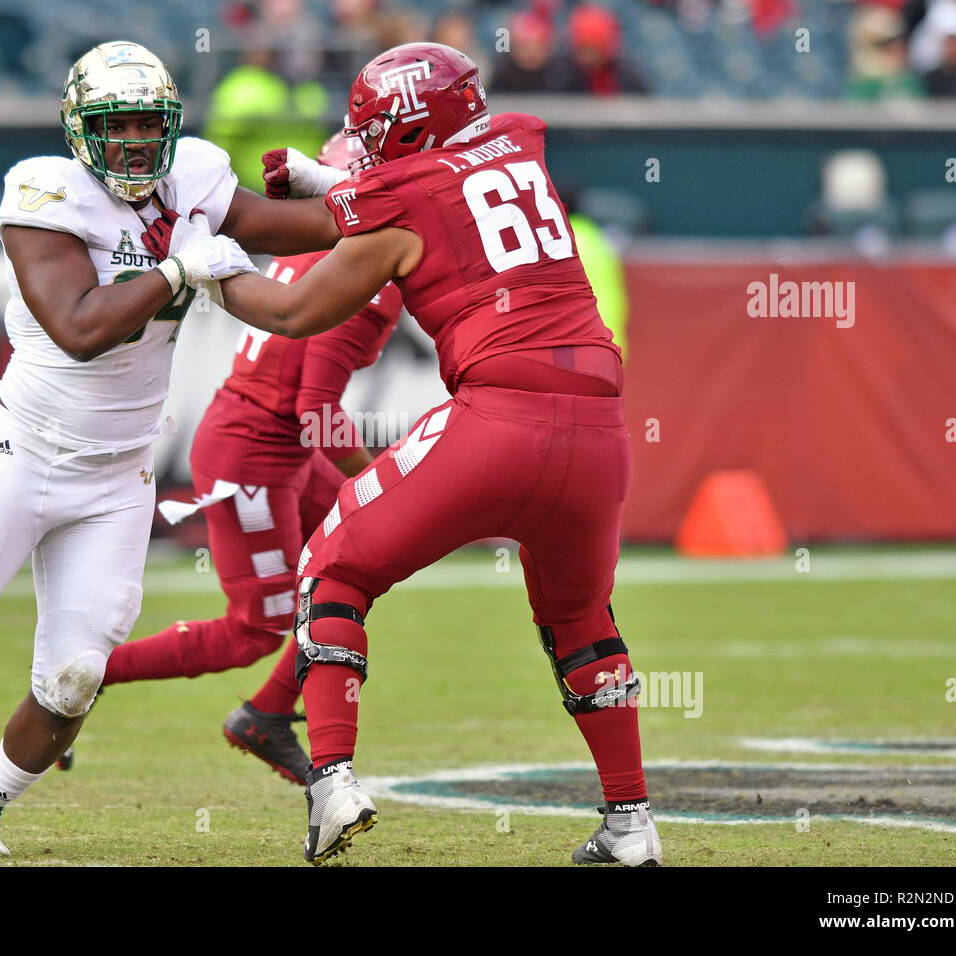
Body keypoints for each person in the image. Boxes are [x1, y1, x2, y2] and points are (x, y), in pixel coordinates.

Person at [0, 39, 342, 858]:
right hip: (26, 451)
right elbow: (79, 329)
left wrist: (343, 188)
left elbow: (317, 227)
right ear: (82, 131)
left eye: (152, 126)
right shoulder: (43, 193)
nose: (139, 144)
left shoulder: (197, 177)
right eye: (119, 127)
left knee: (77, 672)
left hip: (119, 474)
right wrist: (179, 270)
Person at [189, 41, 658, 865]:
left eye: (373, 130)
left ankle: (331, 780)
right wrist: (333, 183)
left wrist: (215, 271)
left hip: (501, 420)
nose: (363, 144)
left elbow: (296, 311)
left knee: (335, 564)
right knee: (583, 626)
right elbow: (444, 195)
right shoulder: (517, 145)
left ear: (405, 130)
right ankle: (631, 825)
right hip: (600, 431)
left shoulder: (400, 198)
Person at [83, 134, 402, 785]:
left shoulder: (324, 247)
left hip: (272, 442)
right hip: (254, 455)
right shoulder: (366, 272)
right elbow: (316, 407)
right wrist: (378, 480)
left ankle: (268, 711)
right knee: (256, 628)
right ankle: (84, 675)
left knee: (359, 566)